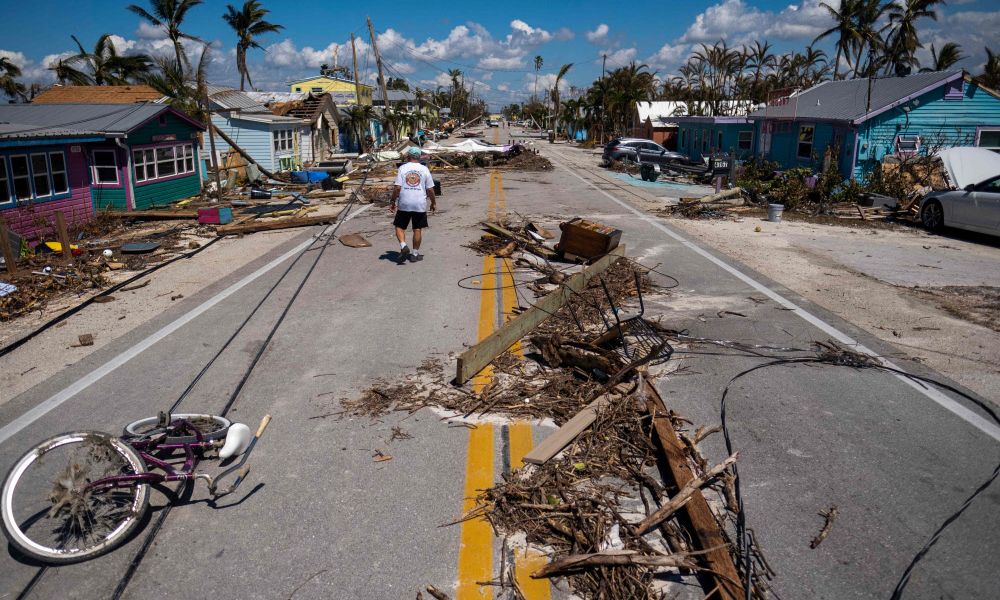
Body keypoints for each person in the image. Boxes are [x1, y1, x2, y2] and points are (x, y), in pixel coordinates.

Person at [390, 146, 436, 263]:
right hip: (419, 203)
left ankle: (403, 245)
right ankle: (414, 254)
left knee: (399, 226)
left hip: (404, 203)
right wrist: (433, 203)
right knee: (417, 229)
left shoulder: (403, 168)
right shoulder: (424, 169)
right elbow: (430, 190)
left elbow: (397, 187)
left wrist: (392, 201)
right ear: (419, 157)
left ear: (408, 156)